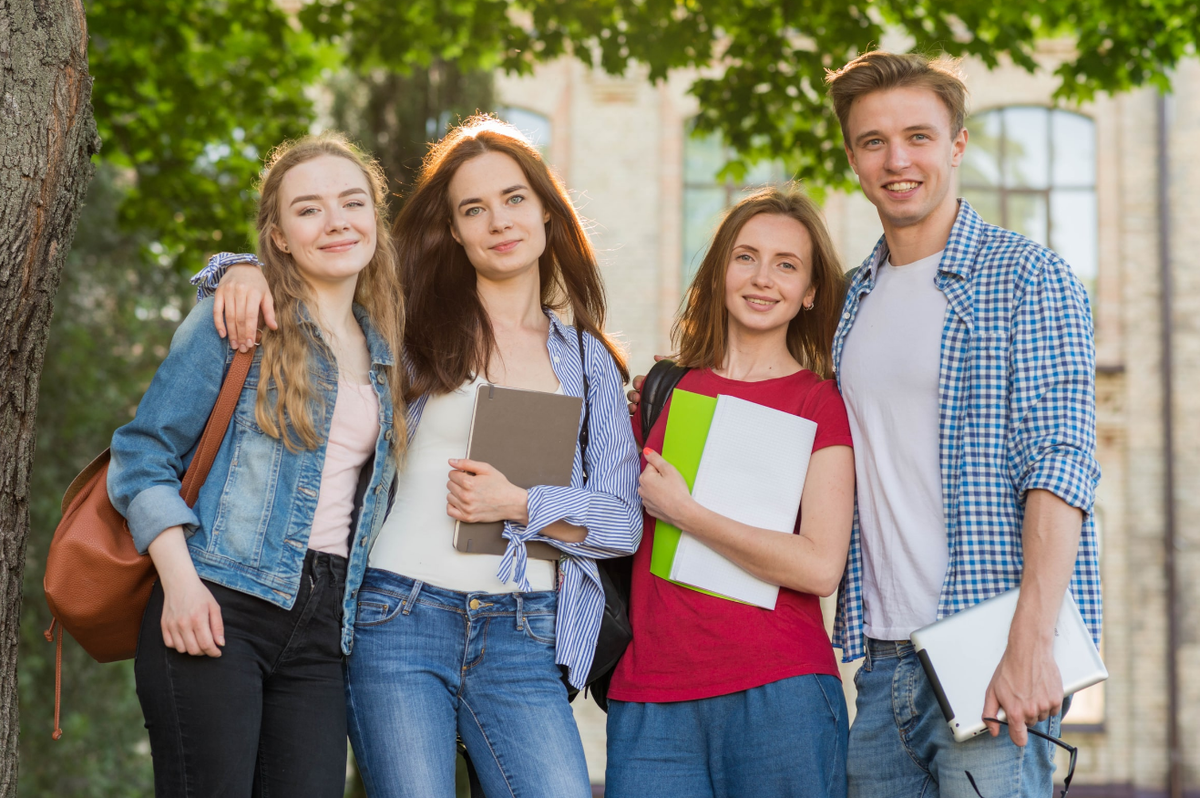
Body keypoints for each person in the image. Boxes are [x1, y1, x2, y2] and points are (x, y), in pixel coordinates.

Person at [193, 116, 642, 798]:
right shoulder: (404, 328)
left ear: (548, 214)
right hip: (397, 617)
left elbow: (622, 524)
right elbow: (313, 285)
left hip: (526, 630)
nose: (498, 221)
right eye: (473, 209)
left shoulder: (587, 361)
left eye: (515, 199)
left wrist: (522, 505)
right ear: (454, 231)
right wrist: (240, 269)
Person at [824, 51, 1100, 797]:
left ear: (957, 145)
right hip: (881, 663)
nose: (897, 159)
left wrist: (1031, 644)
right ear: (852, 158)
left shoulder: (1029, 277)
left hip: (992, 650)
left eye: (918, 135)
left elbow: (1060, 462)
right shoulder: (848, 300)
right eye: (873, 141)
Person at [107, 133, 407, 796]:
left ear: (375, 221)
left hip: (326, 630)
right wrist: (182, 586)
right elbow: (140, 455)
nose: (336, 222)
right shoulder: (237, 320)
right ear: (277, 235)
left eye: (352, 203)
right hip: (217, 602)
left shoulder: (389, 354)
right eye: (309, 210)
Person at [604, 187, 855, 798]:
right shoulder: (661, 391)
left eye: (786, 265)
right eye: (746, 257)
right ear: (719, 270)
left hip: (780, 693)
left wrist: (686, 513)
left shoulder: (820, 402)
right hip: (651, 697)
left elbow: (821, 566)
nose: (762, 279)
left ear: (811, 291)